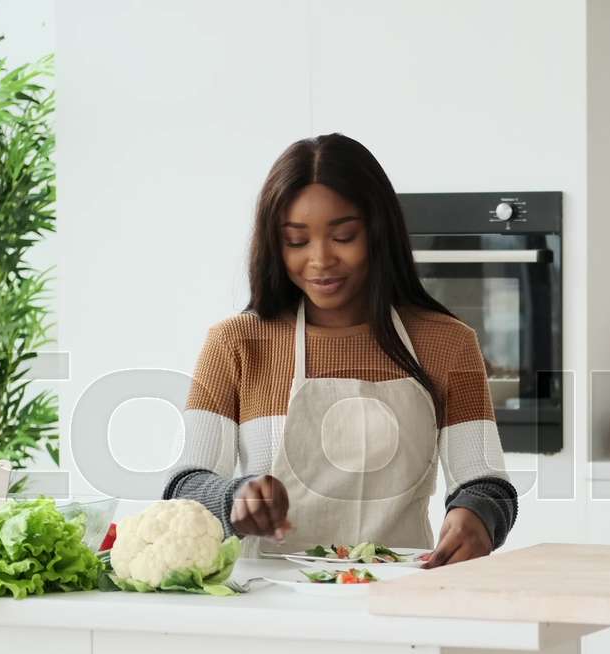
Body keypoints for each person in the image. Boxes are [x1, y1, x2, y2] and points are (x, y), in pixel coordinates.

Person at [163, 133, 517, 565]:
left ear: (378, 232)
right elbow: (184, 486)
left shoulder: (447, 343)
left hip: (402, 590)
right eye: (297, 241)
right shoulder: (235, 344)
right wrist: (233, 496)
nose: (320, 259)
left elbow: (485, 482)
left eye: (344, 236)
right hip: (268, 592)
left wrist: (477, 514)